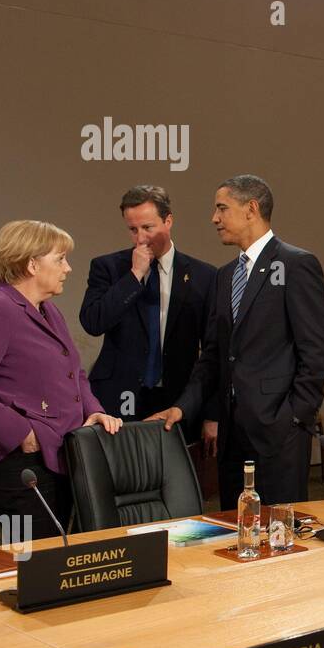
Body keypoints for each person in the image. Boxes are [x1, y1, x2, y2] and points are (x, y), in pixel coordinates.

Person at [149, 175, 324, 509]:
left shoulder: (296, 265)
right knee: (233, 530)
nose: (214, 218)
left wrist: (294, 417)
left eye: (222, 208)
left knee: (280, 533)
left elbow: (318, 350)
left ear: (251, 209)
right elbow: (213, 357)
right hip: (231, 435)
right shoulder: (224, 276)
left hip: (279, 431)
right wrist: (183, 406)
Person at [0, 221, 122, 541]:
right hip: (18, 462)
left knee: (69, 553)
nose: (68, 268)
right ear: (31, 264)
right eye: (60, 259)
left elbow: (75, 373)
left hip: (60, 454)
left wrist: (91, 411)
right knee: (45, 562)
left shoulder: (49, 311)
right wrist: (21, 432)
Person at [79, 186, 219, 451]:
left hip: (177, 400)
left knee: (177, 485)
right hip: (118, 398)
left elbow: (213, 350)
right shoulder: (108, 267)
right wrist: (134, 276)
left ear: (168, 221)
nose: (140, 239)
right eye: (133, 230)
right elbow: (93, 322)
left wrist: (212, 413)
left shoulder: (204, 276)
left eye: (148, 227)